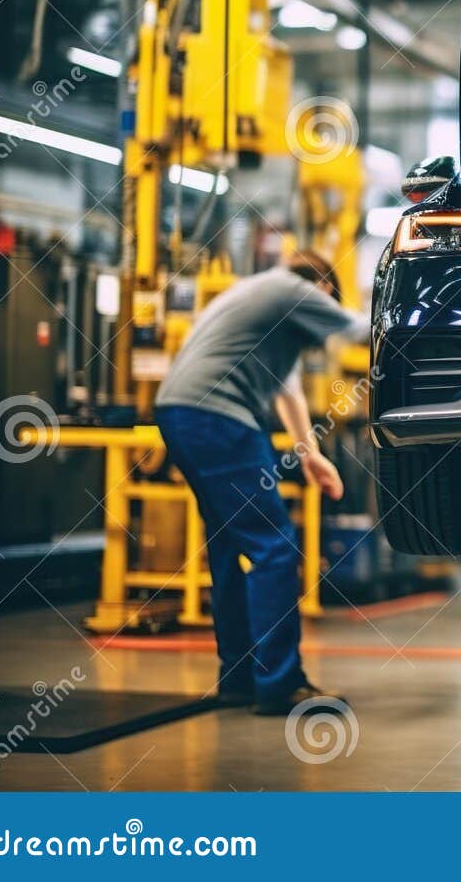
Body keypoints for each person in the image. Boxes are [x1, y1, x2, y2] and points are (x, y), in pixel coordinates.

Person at [154, 251, 364, 715]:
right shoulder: (290, 290)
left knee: (231, 545)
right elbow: (358, 330)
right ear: (320, 286)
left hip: (179, 413)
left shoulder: (256, 298)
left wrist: (311, 457)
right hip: (217, 418)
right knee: (273, 546)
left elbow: (286, 388)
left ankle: (240, 678)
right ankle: (280, 683)